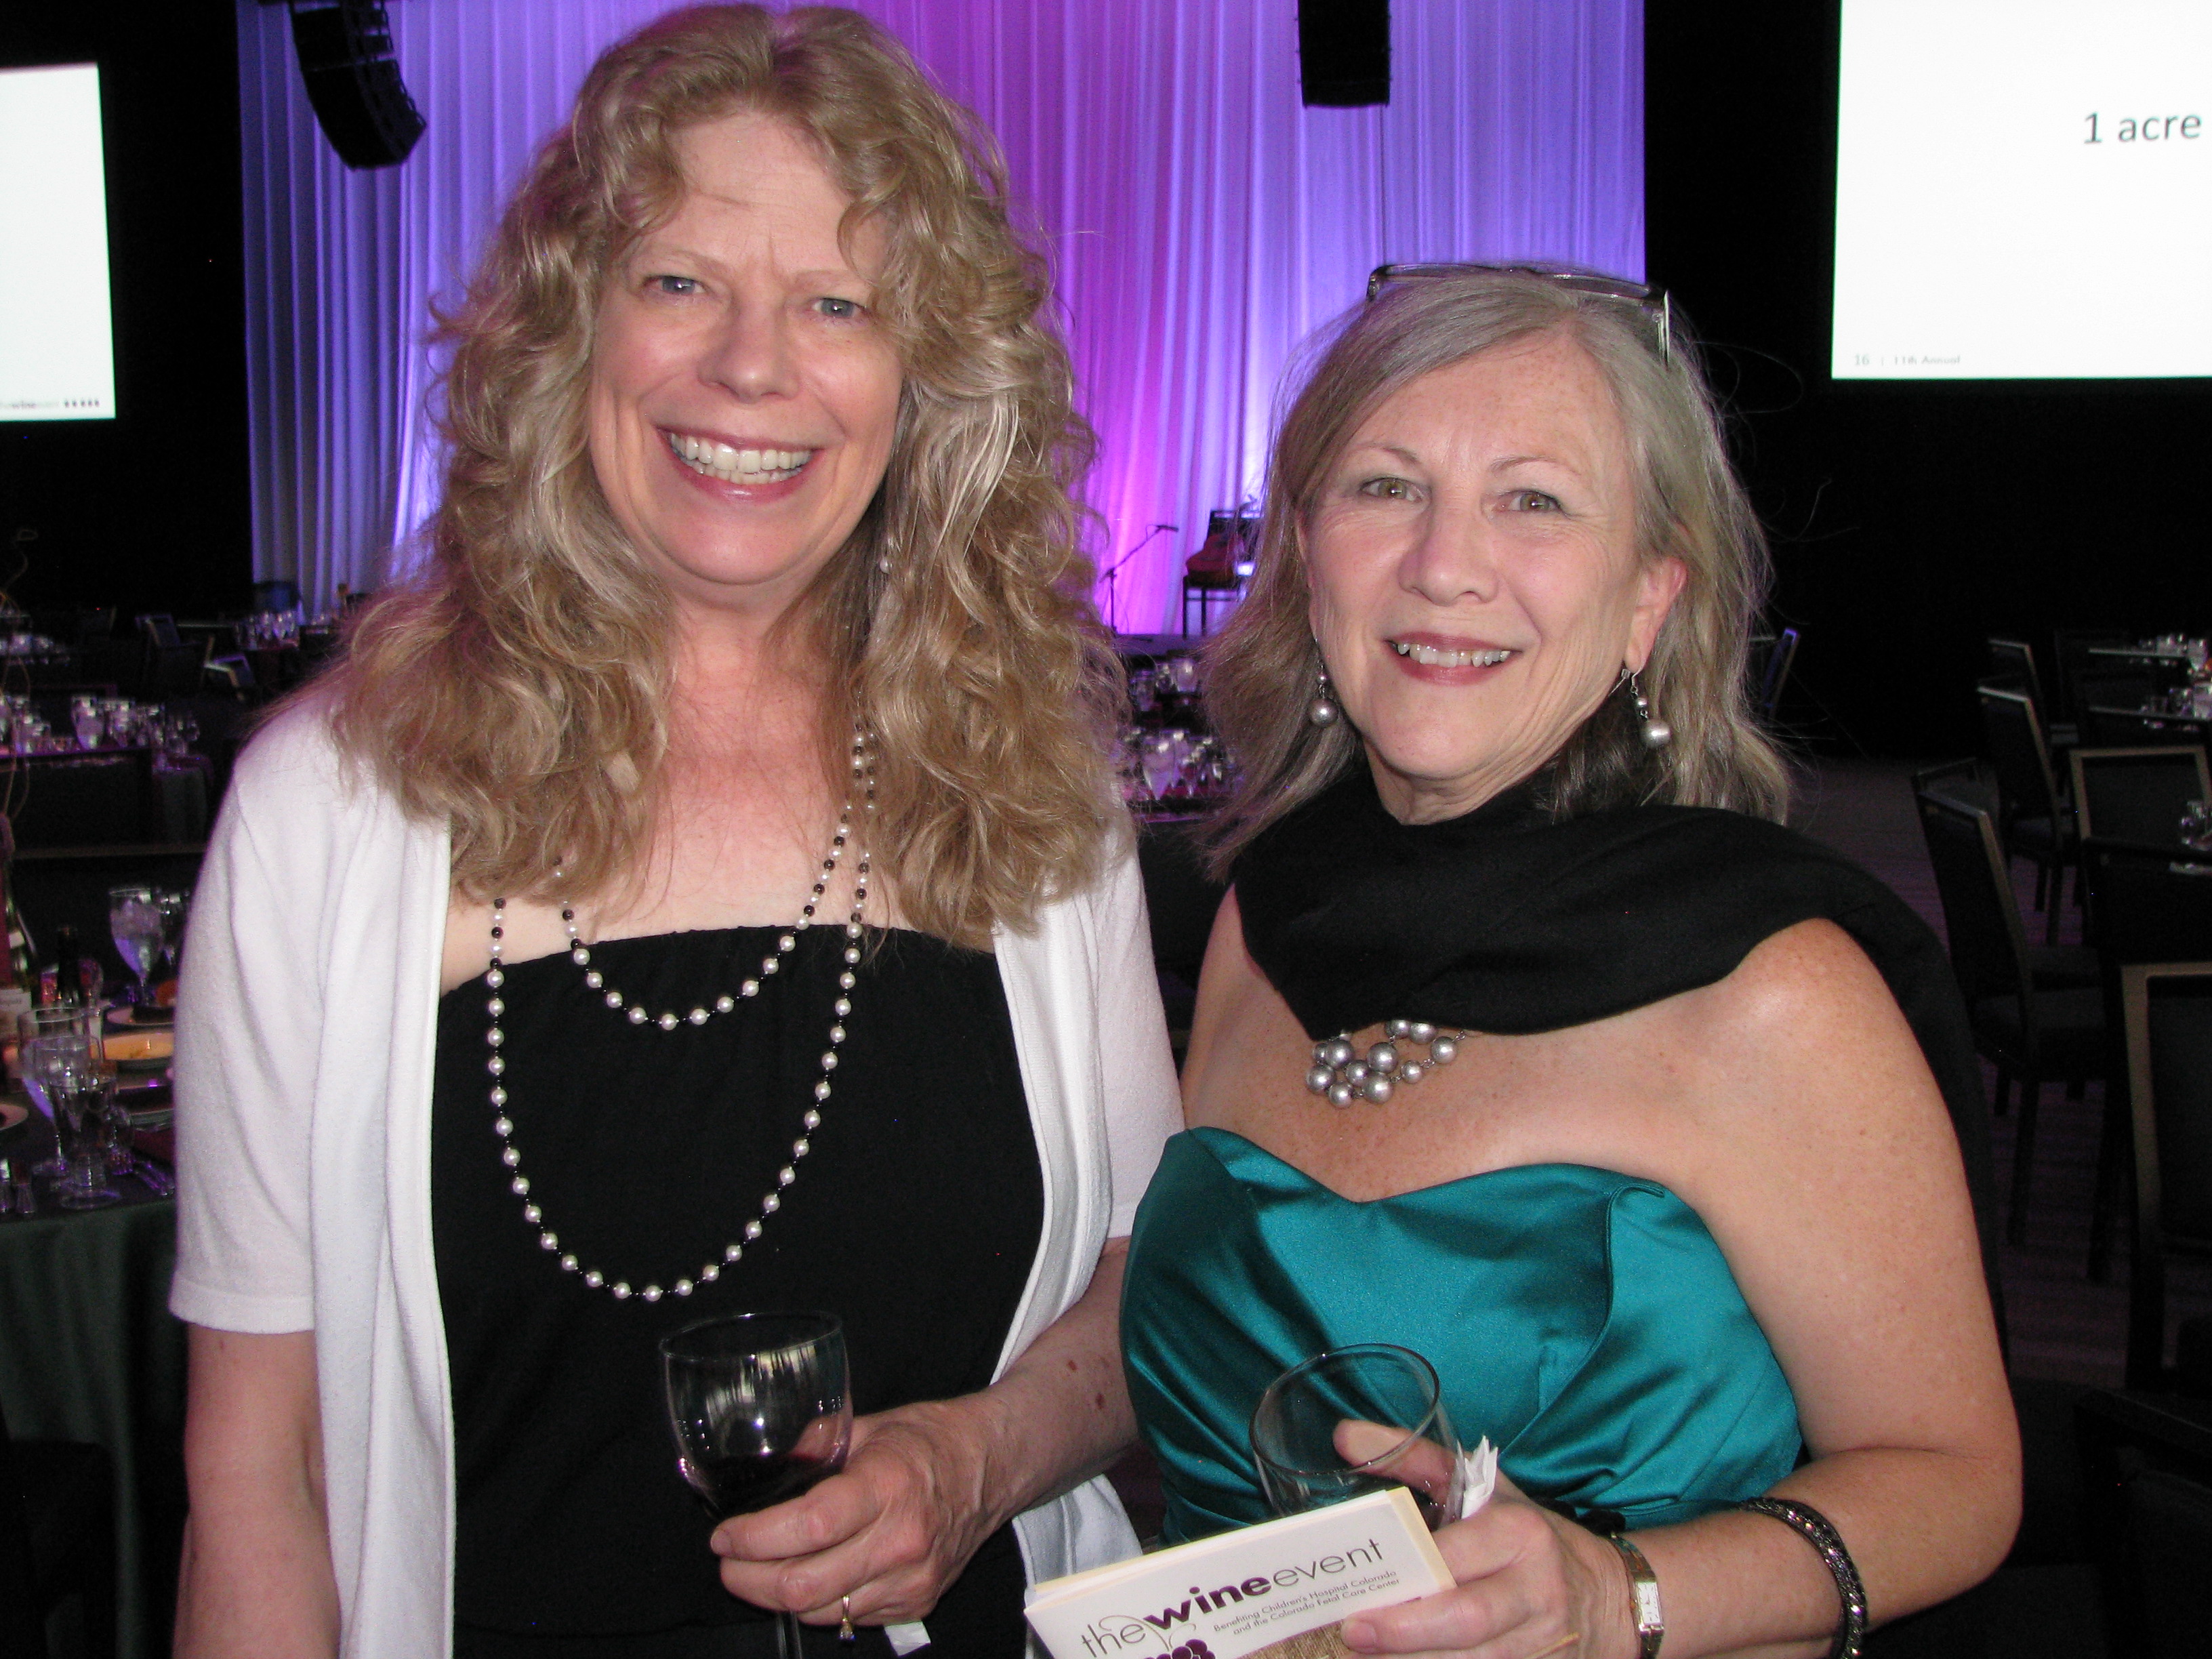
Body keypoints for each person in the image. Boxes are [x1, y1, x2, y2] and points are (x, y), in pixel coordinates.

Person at [171, 7, 1179, 1656]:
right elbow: (257, 1478)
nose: (752, 368)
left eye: (837, 304)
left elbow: (1147, 1278)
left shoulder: (1037, 791)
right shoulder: (330, 809)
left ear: (925, 381)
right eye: (681, 282)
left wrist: (980, 1462)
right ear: (571, 338)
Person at [1122, 265, 2020, 1658]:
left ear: (1650, 598)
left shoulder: (1768, 984)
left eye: (1534, 500)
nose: (1445, 563)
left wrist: (1621, 1598)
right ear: (1305, 554)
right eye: (1384, 486)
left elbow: (1957, 1484)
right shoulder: (1264, 918)